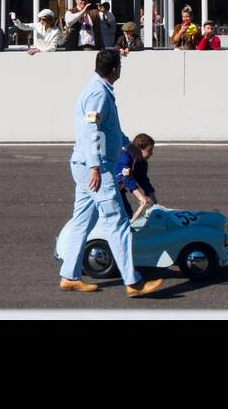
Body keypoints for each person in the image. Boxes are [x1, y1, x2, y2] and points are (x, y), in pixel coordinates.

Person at [56, 49, 163, 296]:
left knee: (83, 221)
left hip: (86, 166)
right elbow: (91, 132)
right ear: (114, 69)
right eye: (120, 66)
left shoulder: (98, 90)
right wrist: (95, 166)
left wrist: (128, 145)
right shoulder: (98, 94)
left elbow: (109, 129)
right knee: (118, 223)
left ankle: (69, 276)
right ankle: (133, 282)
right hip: (97, 168)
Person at [117, 133, 157, 218]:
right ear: (139, 149)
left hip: (119, 189)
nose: (151, 153)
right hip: (108, 188)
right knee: (122, 215)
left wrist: (155, 203)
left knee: (127, 214)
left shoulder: (142, 162)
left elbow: (143, 180)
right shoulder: (125, 158)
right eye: (149, 150)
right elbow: (126, 178)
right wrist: (141, 197)